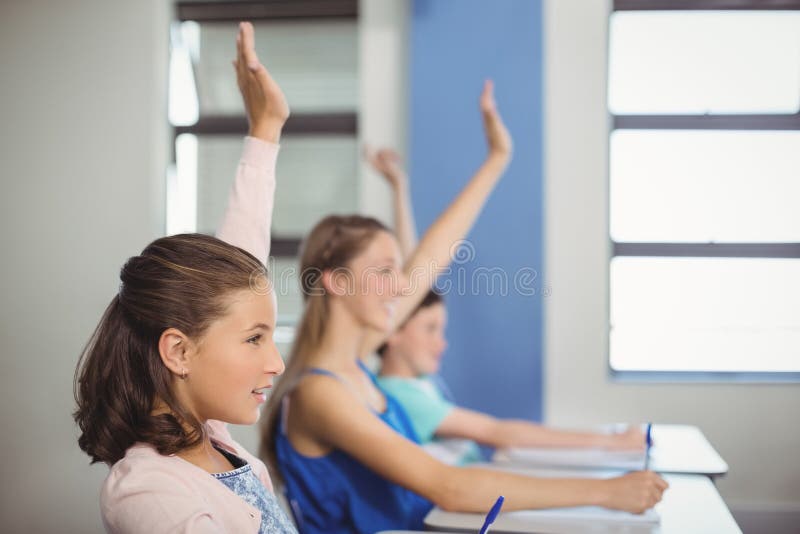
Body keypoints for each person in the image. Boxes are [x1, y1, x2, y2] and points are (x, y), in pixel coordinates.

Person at [261, 81, 668, 534]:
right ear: (337, 282)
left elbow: (432, 257)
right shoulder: (319, 394)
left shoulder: (352, 364)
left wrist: (497, 159)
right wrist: (605, 492)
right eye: (385, 271)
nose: (402, 285)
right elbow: (450, 487)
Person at [73, 23, 297, 533]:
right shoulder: (148, 492)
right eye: (254, 339)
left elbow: (238, 265)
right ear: (178, 351)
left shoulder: (211, 438)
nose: (276, 362)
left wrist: (266, 129)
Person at [365, 148, 646, 466]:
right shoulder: (400, 395)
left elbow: (415, 267)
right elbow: (497, 431)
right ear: (393, 329)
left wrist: (399, 187)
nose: (441, 344)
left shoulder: (416, 384)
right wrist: (611, 441)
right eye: (430, 329)